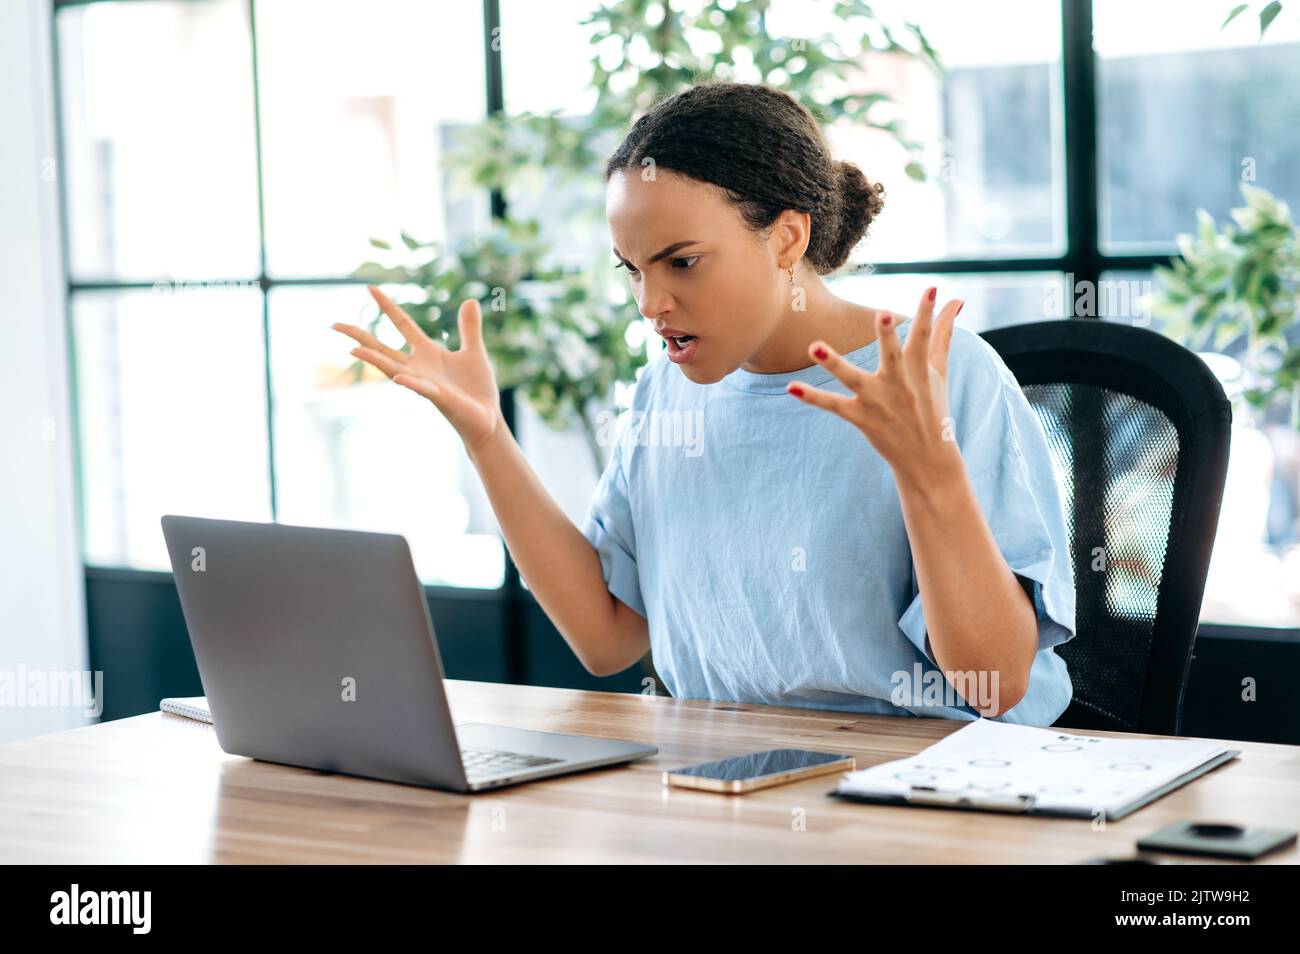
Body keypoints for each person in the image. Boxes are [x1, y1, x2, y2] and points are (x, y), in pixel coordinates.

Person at [334, 81, 1076, 724]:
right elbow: (608, 637)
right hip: (718, 779)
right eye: (631, 270)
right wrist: (488, 437)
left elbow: (997, 685)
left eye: (682, 262)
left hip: (917, 792)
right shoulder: (666, 390)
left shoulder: (938, 375)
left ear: (787, 236)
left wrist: (930, 475)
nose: (650, 304)